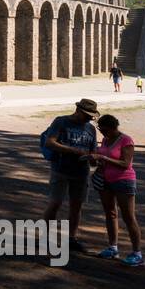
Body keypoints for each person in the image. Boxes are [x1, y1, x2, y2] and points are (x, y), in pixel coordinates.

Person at [42, 98, 100, 253]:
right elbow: (50, 142)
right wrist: (74, 151)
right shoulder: (61, 122)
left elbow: (93, 150)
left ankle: (71, 239)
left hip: (81, 171)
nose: (89, 118)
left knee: (76, 206)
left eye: (91, 116)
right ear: (78, 110)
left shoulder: (90, 129)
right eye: (87, 115)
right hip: (61, 169)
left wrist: (93, 158)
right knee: (55, 203)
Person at [91, 113, 143, 266]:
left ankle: (137, 253)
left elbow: (125, 163)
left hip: (123, 181)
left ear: (114, 127)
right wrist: (95, 160)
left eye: (105, 130)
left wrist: (104, 159)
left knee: (128, 217)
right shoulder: (106, 139)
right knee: (110, 213)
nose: (102, 133)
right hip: (105, 180)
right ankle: (113, 247)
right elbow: (103, 158)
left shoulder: (126, 140)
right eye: (100, 130)